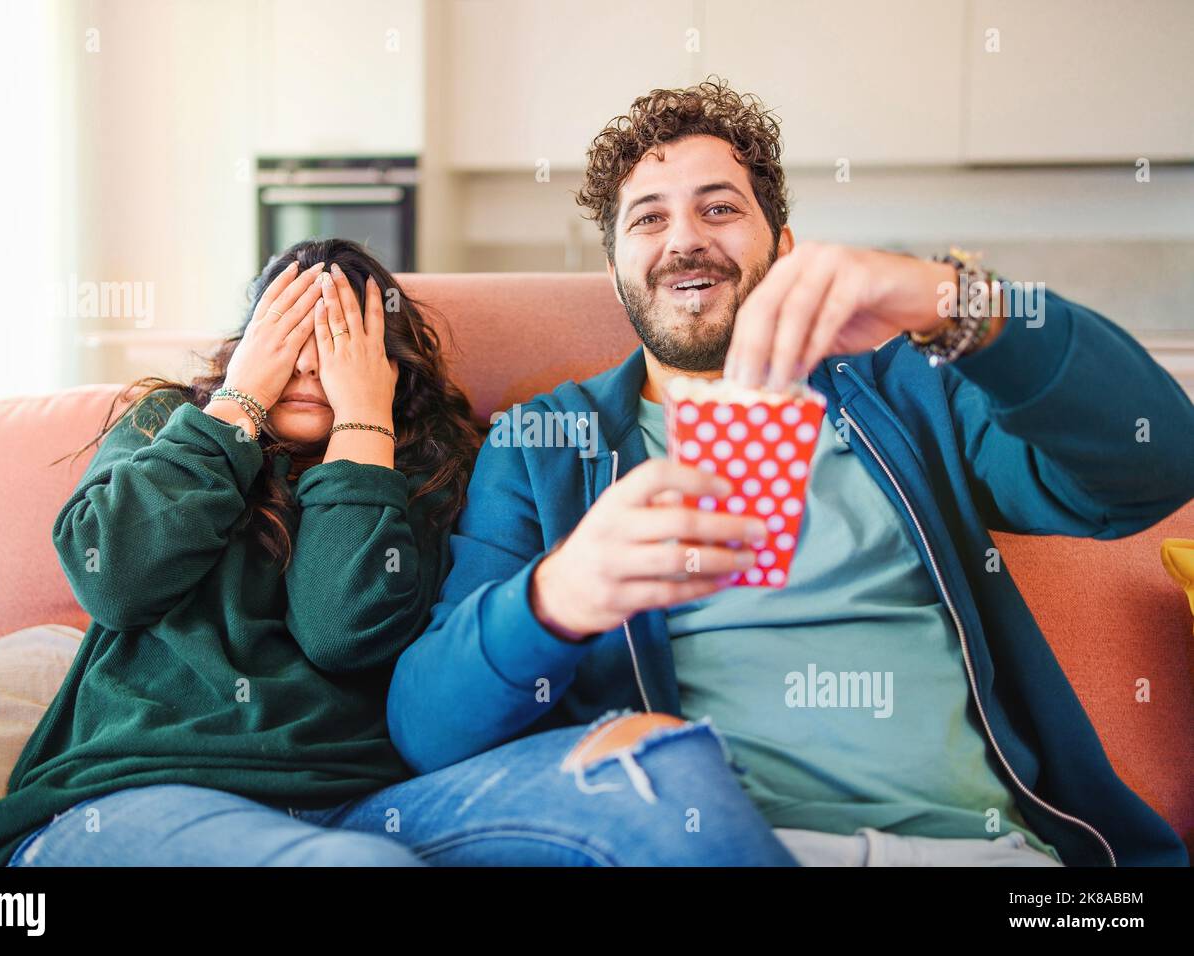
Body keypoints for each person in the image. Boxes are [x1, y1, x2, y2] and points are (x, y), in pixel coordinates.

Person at [383, 78, 1194, 867]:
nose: (685, 239)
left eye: (721, 207)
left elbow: (1155, 462)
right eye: (649, 218)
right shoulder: (545, 445)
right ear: (615, 274)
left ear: (785, 246)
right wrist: (557, 596)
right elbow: (427, 727)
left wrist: (951, 300)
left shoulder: (911, 397)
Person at [0, 238, 485, 866]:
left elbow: (342, 632)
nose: (306, 367)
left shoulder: (429, 466)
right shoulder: (166, 422)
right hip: (139, 789)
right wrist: (236, 406)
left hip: (353, 797)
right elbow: (115, 580)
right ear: (251, 344)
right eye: (287, 335)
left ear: (383, 363)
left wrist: (362, 423)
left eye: (334, 339)